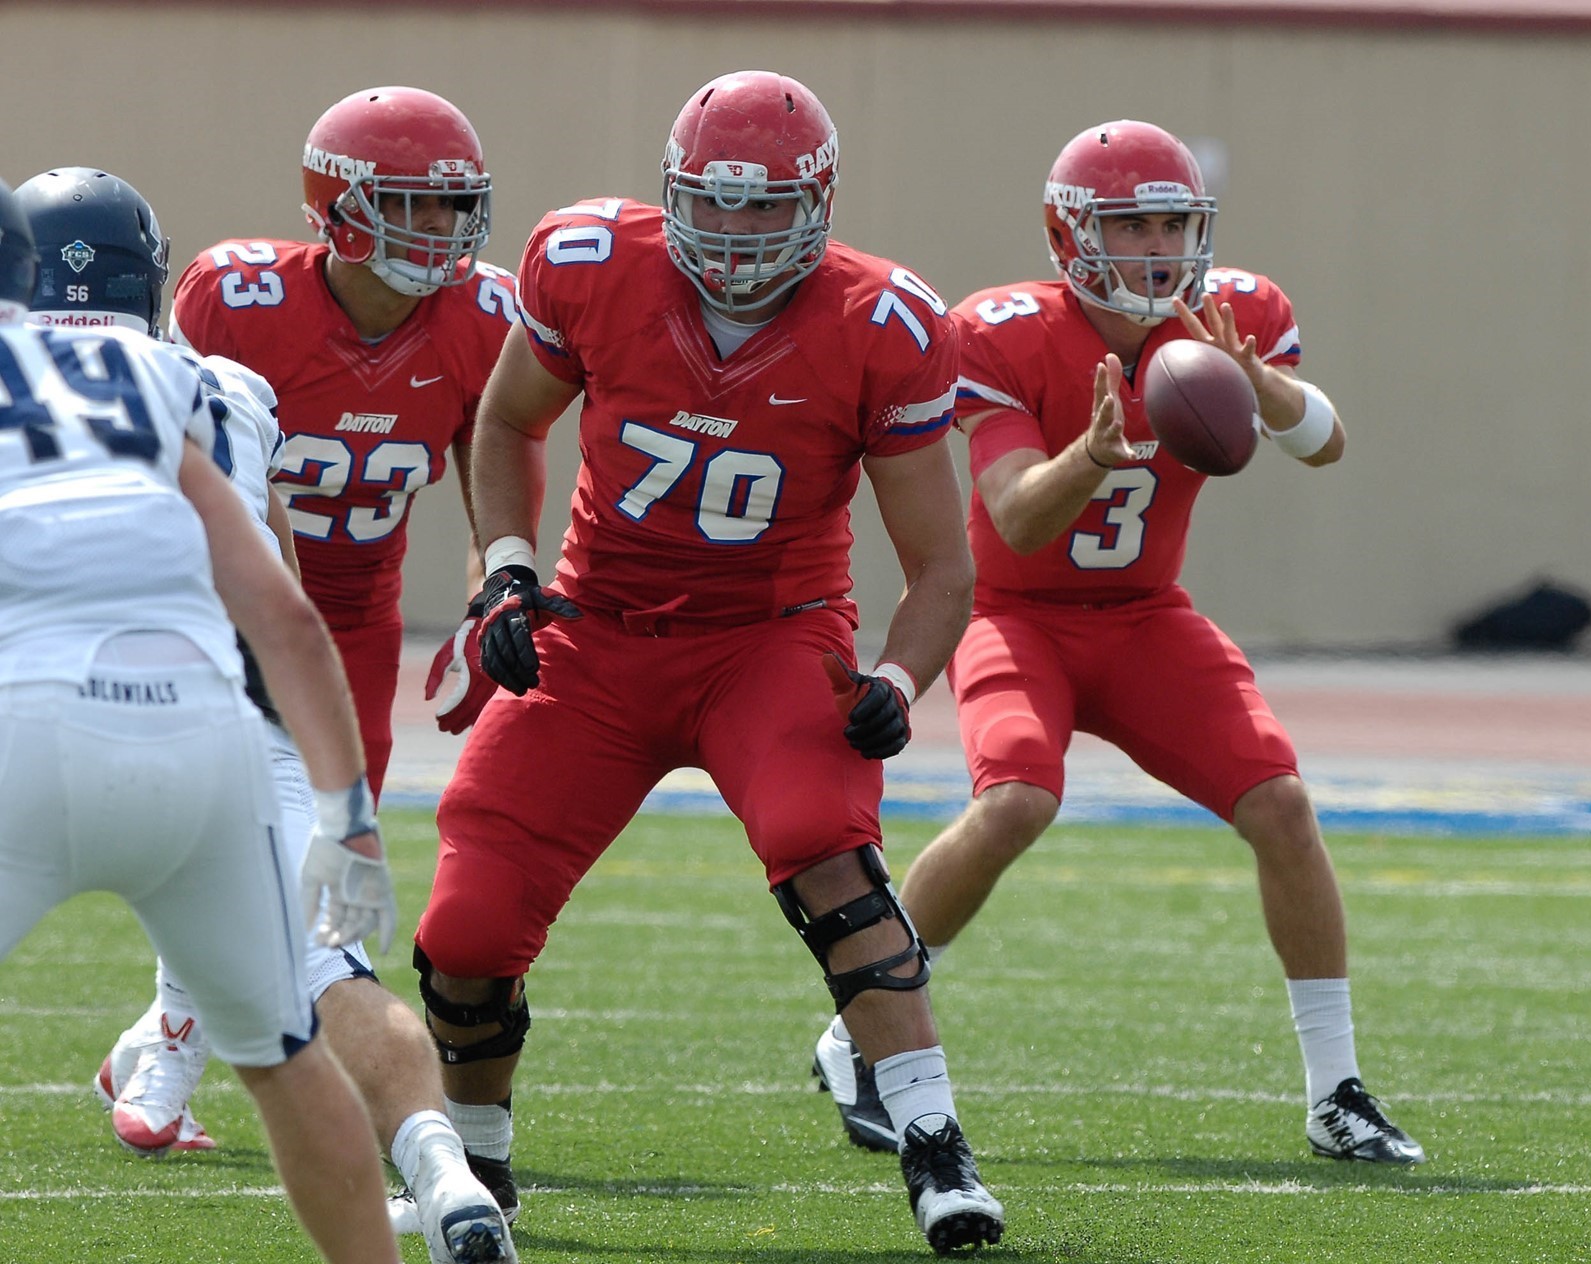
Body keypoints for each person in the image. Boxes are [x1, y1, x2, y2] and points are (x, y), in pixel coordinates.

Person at [410, 70, 1005, 1255]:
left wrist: (896, 679)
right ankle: (478, 1172)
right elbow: (506, 422)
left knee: (820, 844)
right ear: (672, 194)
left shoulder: (880, 323)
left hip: (768, 638)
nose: (734, 237)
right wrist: (507, 570)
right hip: (601, 631)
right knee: (468, 923)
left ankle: (936, 1151)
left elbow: (940, 567)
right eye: (714, 205)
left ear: (819, 204)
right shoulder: (588, 262)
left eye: (764, 208)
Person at [812, 119, 1425, 1167]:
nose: (1154, 246)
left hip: (1147, 615)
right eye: (1130, 223)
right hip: (1019, 616)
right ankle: (850, 1037)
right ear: (1071, 233)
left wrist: (1260, 385)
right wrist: (1091, 456)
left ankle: (1337, 1091)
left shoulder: (1237, 312)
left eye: (1171, 223)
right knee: (1014, 800)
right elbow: (1013, 519)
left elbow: (1323, 442)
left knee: (1279, 800)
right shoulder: (1002, 331)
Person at [17, 167, 518, 1264]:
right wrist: (341, 808)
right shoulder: (223, 389)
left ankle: (165, 1051)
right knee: (309, 1007)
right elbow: (285, 618)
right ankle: (441, 1175)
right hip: (209, 728)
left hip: (25, 719)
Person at [168, 84, 517, 794]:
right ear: (341, 202)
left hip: (357, 625)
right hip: (226, 599)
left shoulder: (486, 318)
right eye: (407, 201)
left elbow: (498, 476)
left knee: (340, 832)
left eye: (449, 203)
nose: (435, 224)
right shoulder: (239, 302)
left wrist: (491, 602)